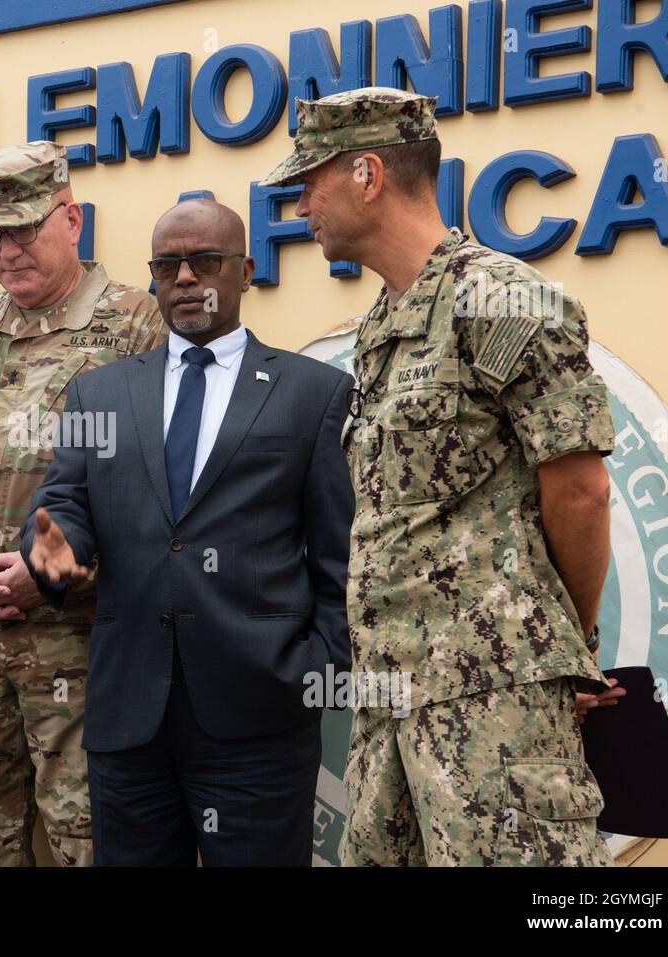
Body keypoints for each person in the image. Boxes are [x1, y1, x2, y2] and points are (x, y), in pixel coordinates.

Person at [260, 86, 622, 866]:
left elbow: (581, 489)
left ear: (365, 174)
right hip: (389, 706)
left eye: (308, 182)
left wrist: (566, 643)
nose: (299, 207)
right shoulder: (383, 326)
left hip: (496, 701)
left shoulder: (503, 298)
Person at [22, 199, 353, 866]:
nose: (184, 277)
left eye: (204, 261)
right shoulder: (101, 394)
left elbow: (339, 555)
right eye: (166, 264)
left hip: (261, 717)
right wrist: (57, 551)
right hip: (129, 720)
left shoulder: (312, 393)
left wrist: (316, 666)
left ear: (244, 271)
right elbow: (66, 504)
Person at [0, 141, 163, 866]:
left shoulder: (137, 328)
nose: (7, 251)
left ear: (71, 218)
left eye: (24, 230)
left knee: (97, 846)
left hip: (81, 643)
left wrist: (54, 568)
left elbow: (166, 488)